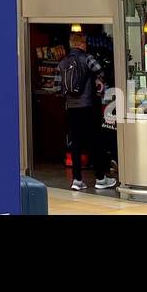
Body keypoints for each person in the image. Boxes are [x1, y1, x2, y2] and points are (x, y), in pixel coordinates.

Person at [58, 33, 114, 191]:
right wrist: (99, 82)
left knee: (75, 144)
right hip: (88, 107)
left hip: (72, 108)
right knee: (96, 142)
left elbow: (59, 87)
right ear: (82, 44)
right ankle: (101, 178)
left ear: (71, 44)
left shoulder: (63, 62)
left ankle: (77, 180)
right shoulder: (87, 58)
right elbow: (100, 71)